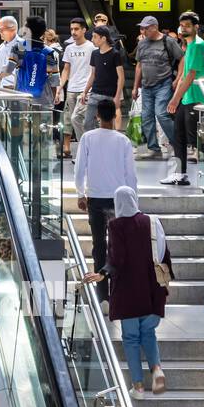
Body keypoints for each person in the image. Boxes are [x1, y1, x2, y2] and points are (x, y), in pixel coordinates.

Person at [84, 186, 170, 399]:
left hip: (129, 293)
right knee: (148, 332)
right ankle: (157, 369)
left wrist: (103, 273)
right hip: (152, 291)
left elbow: (117, 259)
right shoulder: (152, 221)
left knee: (131, 338)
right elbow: (163, 253)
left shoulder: (116, 226)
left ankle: (138, 386)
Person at [74, 99, 138, 295]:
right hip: (118, 200)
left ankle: (102, 292)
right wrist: (134, 203)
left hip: (94, 197)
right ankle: (118, 287)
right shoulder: (123, 141)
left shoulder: (88, 137)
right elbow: (131, 175)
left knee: (98, 244)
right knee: (118, 244)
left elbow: (80, 168)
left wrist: (80, 193)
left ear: (97, 116)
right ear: (115, 116)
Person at [163, 11, 204, 187]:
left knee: (194, 138)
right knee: (179, 136)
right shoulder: (189, 46)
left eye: (187, 25)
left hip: (195, 98)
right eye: (182, 25)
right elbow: (183, 75)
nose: (183, 28)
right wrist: (176, 98)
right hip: (187, 98)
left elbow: (190, 75)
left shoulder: (197, 45)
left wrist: (175, 99)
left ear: (196, 27)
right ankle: (180, 174)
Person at [132, 15, 181, 158]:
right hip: (146, 86)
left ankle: (177, 144)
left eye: (146, 28)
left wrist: (177, 79)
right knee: (146, 117)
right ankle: (154, 148)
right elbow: (139, 66)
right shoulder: (142, 44)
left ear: (154, 27)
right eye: (142, 28)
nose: (143, 31)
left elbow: (182, 58)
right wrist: (135, 87)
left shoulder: (168, 41)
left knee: (161, 114)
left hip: (163, 83)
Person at [57, 18, 94, 156]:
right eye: (71, 29)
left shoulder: (91, 47)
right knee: (71, 119)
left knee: (82, 120)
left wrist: (90, 88)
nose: (73, 32)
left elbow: (94, 70)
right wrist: (61, 86)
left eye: (76, 29)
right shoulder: (69, 48)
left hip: (86, 90)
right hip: (71, 89)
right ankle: (83, 147)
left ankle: (86, 148)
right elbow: (66, 68)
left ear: (84, 30)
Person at [79, 24, 125, 133]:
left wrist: (118, 96)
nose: (92, 39)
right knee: (87, 124)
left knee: (108, 126)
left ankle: (109, 147)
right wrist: (85, 92)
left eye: (95, 37)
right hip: (95, 93)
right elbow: (93, 74)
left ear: (103, 38)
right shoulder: (94, 54)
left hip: (110, 95)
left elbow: (121, 77)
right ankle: (95, 145)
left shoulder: (115, 54)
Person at [0, 15, 20, 89]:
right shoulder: (2, 45)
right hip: (2, 88)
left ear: (13, 29)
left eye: (2, 29)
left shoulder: (22, 45)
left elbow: (9, 68)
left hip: (16, 90)